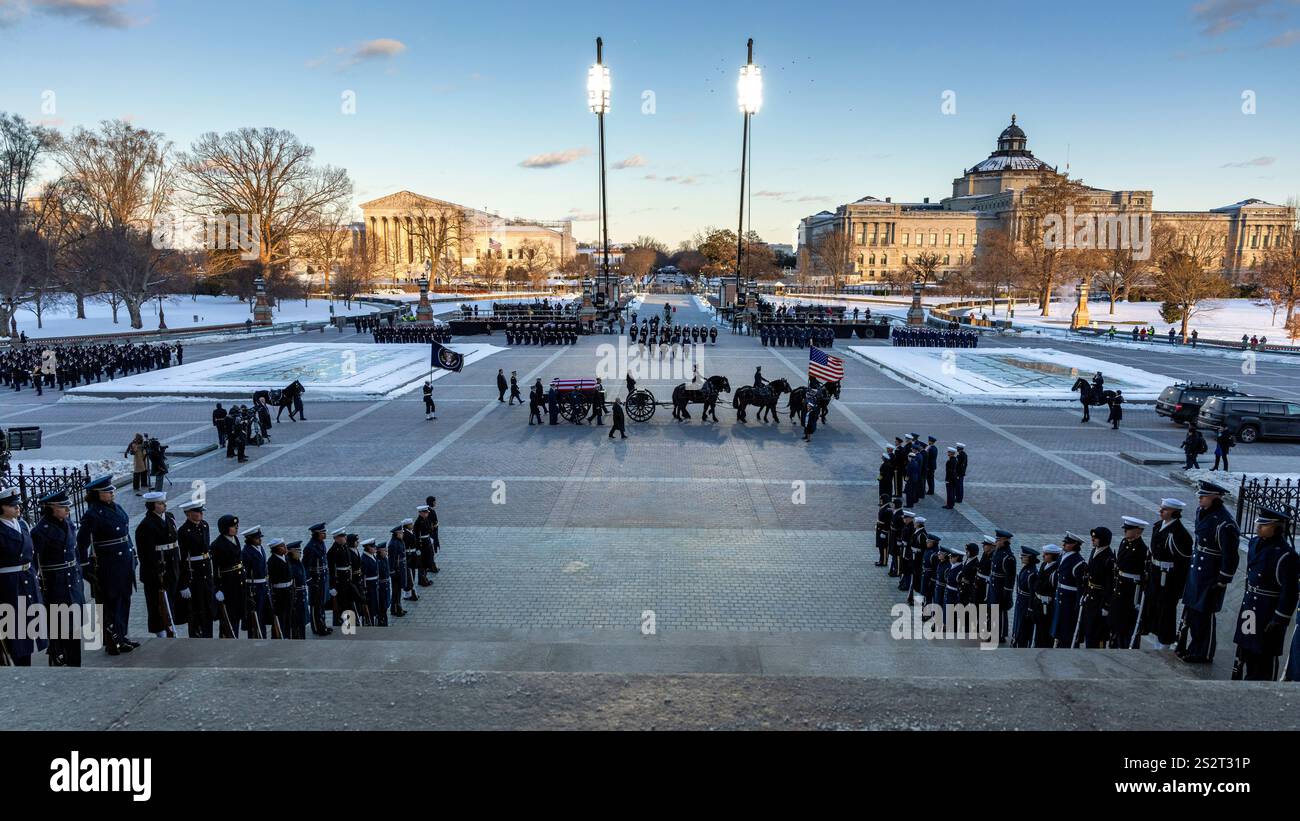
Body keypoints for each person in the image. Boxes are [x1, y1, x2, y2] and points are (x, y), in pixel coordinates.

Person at [1231, 507, 1297, 680]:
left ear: (1276, 527)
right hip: (1250, 608)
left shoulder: (1285, 555)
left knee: (1264, 653)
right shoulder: (1254, 543)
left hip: (1267, 611)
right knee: (1246, 647)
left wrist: (1279, 619)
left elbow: (1289, 591)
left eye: (1264, 525)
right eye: (1258, 523)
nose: (1258, 528)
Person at [1178, 481, 1240, 664]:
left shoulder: (1224, 523)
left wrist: (1223, 579)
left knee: (1204, 614)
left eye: (1203, 496)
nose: (1200, 498)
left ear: (1215, 497)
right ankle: (1192, 646)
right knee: (1193, 612)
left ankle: (1203, 651)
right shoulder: (1202, 512)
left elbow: (1230, 555)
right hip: (1198, 569)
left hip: (1211, 573)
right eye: (1200, 495)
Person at [78, 476, 139, 655]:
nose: (112, 493)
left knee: (124, 598)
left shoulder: (116, 508)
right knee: (111, 601)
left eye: (112, 490)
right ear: (97, 495)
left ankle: (122, 635)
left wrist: (132, 553)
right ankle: (113, 639)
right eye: (107, 492)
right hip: (109, 563)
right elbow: (81, 543)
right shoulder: (93, 514)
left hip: (124, 560)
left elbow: (125, 533)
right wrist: (85, 566)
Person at [1, 486, 47, 666]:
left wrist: (34, 574)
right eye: (12, 505)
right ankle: (19, 666)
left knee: (29, 626)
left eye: (18, 504)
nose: (17, 508)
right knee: (15, 630)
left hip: (27, 579)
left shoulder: (22, 525)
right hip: (8, 584)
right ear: (2, 507)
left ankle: (25, 663)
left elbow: (32, 554)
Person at [136, 490, 185, 639]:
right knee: (157, 601)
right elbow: (146, 553)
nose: (164, 505)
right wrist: (155, 570)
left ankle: (171, 624)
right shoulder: (146, 525)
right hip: (157, 567)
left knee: (170, 597)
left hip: (172, 563)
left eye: (164, 502)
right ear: (152, 506)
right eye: (160, 503)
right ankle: (160, 628)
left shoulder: (169, 518)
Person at [1108, 517, 1149, 649]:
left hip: (1131, 589)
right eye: (1125, 528)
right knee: (1118, 620)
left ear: (1138, 531)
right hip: (1120, 586)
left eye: (1128, 529)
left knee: (1129, 621)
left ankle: (1127, 647)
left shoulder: (1141, 549)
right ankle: (1116, 643)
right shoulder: (1125, 542)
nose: (1125, 531)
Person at [177, 501, 214, 638]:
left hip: (205, 570)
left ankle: (208, 635)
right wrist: (183, 584)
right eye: (197, 512)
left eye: (201, 512)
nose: (200, 514)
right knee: (196, 608)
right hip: (194, 573)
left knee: (208, 606)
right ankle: (196, 635)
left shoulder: (204, 525)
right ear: (188, 514)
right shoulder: (183, 531)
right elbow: (182, 559)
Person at [209, 514, 245, 639]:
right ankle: (227, 638)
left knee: (237, 614)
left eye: (236, 526)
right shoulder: (217, 545)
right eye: (233, 526)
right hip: (227, 584)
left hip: (238, 583)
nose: (236, 528)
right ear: (225, 528)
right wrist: (217, 588)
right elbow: (215, 568)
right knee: (228, 617)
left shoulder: (235, 539)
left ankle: (235, 637)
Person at [1052, 531, 1086, 648]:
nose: (1064, 545)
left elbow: (1081, 587)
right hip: (1061, 597)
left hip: (1069, 601)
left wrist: (1078, 605)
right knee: (1060, 628)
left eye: (1067, 543)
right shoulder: (1063, 556)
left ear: (1074, 545)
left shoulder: (1078, 562)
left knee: (1067, 629)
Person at [303, 523, 332, 636]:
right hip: (316, 579)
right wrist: (310, 580)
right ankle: (317, 627)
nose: (325, 534)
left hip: (322, 579)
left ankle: (322, 625)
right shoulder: (310, 547)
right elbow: (305, 565)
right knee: (316, 605)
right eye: (323, 533)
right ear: (317, 534)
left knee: (321, 604)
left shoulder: (321, 544)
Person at [1011, 546, 1041, 648]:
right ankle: (1016, 640)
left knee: (1024, 626)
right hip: (1021, 600)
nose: (1021, 558)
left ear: (1030, 558)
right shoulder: (1026, 569)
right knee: (1018, 623)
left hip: (1026, 602)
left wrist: (1030, 608)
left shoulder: (1032, 573)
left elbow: (1032, 593)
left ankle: (1022, 644)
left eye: (1024, 556)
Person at [1033, 545, 1061, 648]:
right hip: (1039, 602)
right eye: (1044, 553)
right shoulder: (1044, 564)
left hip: (1047, 605)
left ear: (1054, 556)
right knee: (1039, 630)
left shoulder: (1055, 570)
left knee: (1045, 631)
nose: (1043, 555)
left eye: (1047, 554)